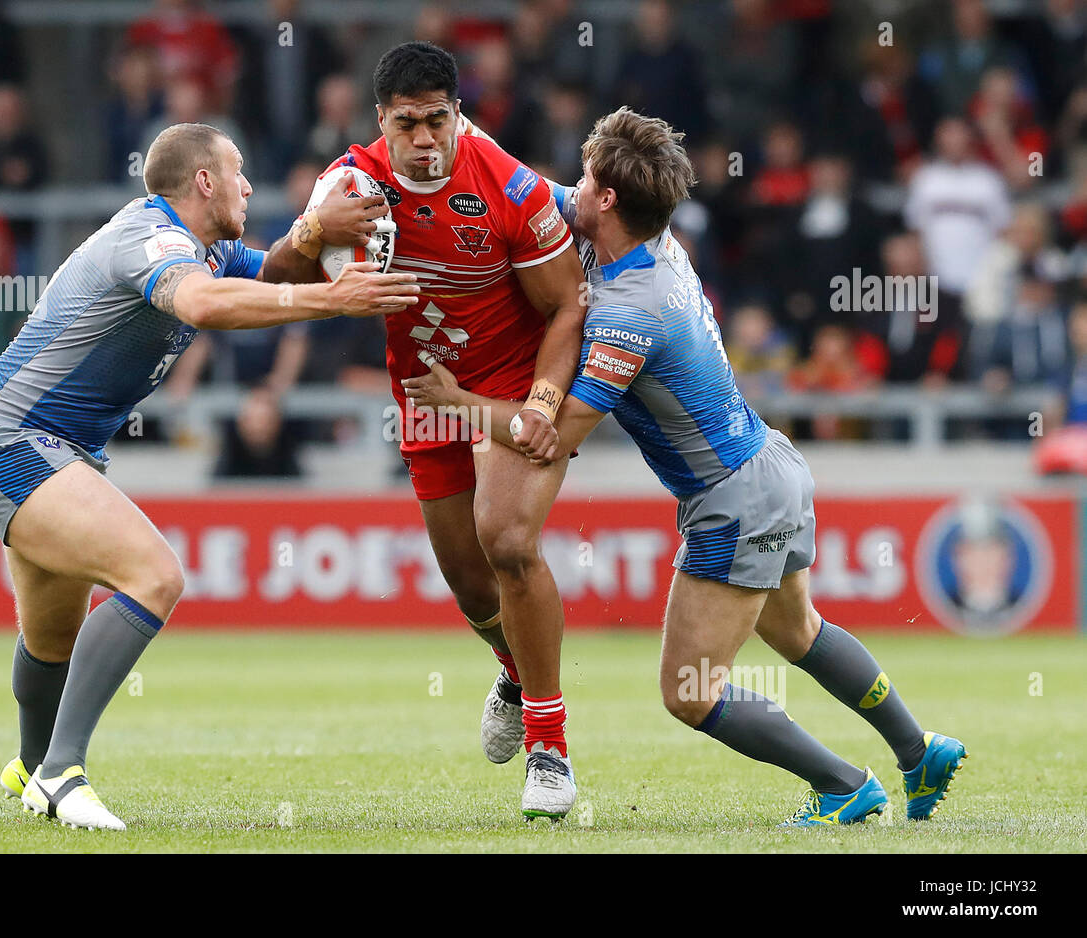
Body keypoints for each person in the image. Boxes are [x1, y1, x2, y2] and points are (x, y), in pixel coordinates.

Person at [405, 108, 968, 827]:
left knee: (690, 692)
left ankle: (843, 786)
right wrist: (458, 126)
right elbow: (523, 181)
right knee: (798, 633)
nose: (569, 188)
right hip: (770, 464)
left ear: (608, 199)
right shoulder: (656, 242)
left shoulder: (626, 315)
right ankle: (920, 752)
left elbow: (548, 436)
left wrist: (458, 402)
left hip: (734, 498)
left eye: (583, 179)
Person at [0, 122, 417, 830]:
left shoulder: (209, 248)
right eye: (238, 172)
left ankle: (29, 765)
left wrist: (316, 230)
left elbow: (277, 274)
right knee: (157, 577)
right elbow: (202, 303)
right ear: (204, 181)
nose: (248, 186)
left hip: (52, 449)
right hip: (11, 442)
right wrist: (333, 299)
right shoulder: (152, 237)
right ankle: (59, 775)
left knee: (52, 640)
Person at [260, 42, 587, 819]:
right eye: (407, 124)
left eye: (438, 121)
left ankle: (550, 748)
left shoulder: (510, 186)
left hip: (507, 381)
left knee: (506, 540)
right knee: (472, 585)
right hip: (426, 393)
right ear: (382, 122)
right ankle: (514, 670)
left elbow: (567, 304)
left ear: (457, 115)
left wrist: (542, 401)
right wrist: (310, 233)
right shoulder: (348, 185)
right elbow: (275, 286)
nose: (425, 140)